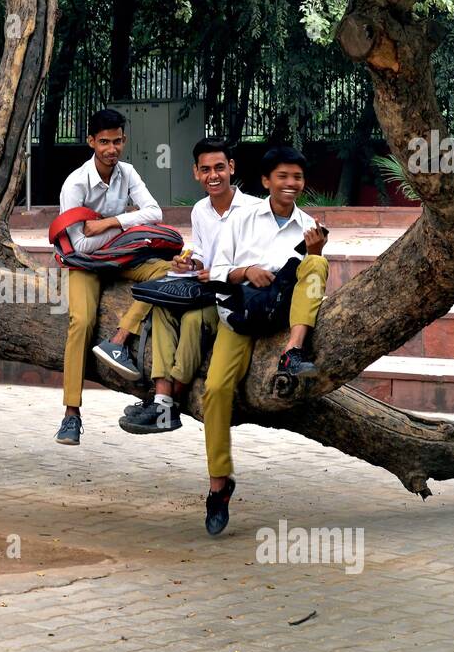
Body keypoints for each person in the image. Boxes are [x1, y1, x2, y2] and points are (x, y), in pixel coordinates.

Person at [201, 146, 330, 535]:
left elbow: (311, 282)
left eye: (297, 178)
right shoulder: (241, 218)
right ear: (266, 181)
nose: (291, 184)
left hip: (280, 319)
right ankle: (219, 485)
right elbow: (218, 269)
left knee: (317, 263)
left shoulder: (308, 226)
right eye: (283, 177)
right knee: (216, 389)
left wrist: (315, 251)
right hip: (240, 314)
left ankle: (294, 351)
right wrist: (247, 271)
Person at [119, 137, 257, 434]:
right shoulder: (199, 211)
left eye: (219, 167)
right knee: (160, 309)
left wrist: (223, 272)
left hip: (235, 299)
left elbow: (262, 264)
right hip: (203, 291)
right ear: (196, 172)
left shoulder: (255, 210)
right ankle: (162, 402)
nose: (213, 175)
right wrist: (191, 263)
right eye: (205, 169)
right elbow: (204, 255)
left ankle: (168, 402)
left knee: (193, 321)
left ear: (231, 167)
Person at [55, 108, 170, 446]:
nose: (111, 149)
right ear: (91, 142)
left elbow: (155, 212)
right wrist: (131, 220)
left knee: (168, 273)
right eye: (104, 141)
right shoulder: (75, 184)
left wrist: (111, 221)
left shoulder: (128, 173)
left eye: (117, 141)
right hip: (85, 265)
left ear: (124, 140)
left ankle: (118, 340)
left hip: (122, 258)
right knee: (81, 321)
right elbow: (80, 244)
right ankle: (71, 414)